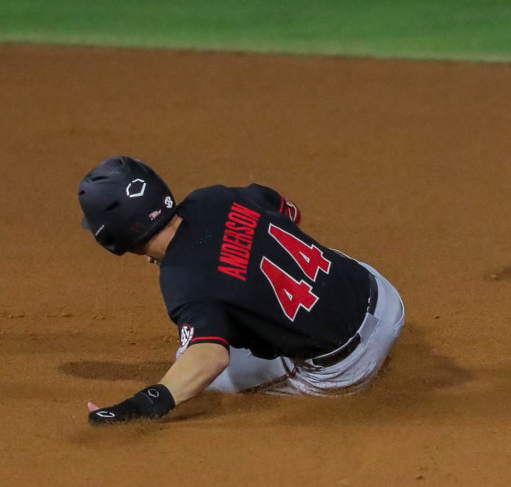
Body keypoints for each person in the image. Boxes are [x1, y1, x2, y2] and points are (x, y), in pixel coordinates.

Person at [78, 156, 404, 424]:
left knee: (191, 356)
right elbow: (287, 210)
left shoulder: (183, 281)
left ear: (112, 236)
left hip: (353, 365)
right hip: (383, 294)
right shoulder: (213, 197)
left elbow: (210, 358)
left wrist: (143, 404)